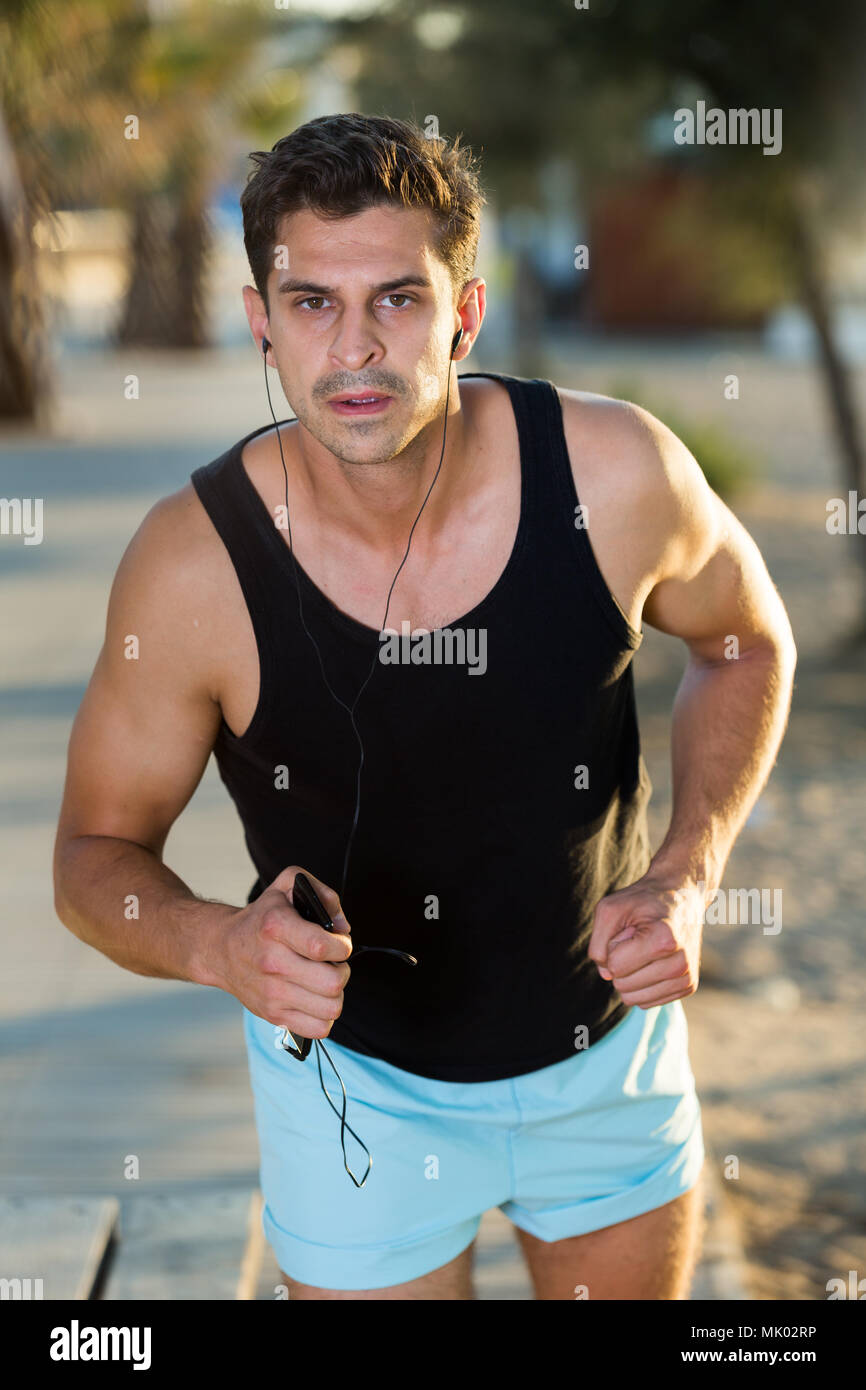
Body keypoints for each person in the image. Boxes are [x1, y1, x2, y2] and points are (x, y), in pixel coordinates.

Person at [53, 113, 796, 1301]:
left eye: (397, 299)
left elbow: (744, 640)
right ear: (260, 321)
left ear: (463, 312)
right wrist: (219, 945)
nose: (356, 351)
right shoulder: (191, 568)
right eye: (311, 304)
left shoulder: (613, 477)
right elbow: (93, 855)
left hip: (601, 1056)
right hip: (352, 1090)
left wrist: (687, 872)